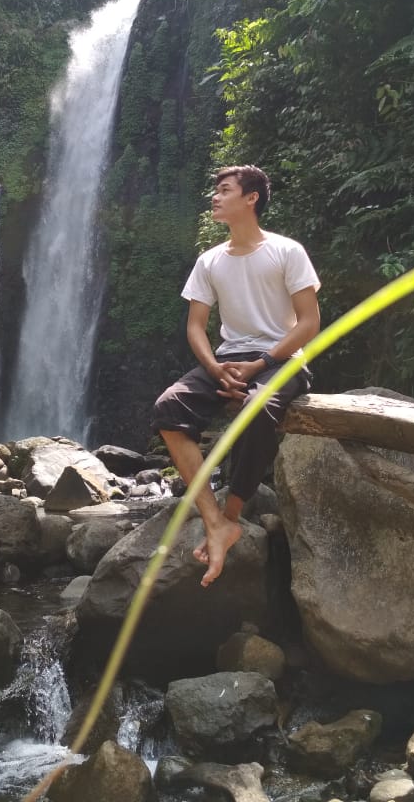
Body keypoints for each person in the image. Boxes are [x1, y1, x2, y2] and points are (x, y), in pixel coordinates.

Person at [152, 165, 321, 587]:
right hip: (227, 358)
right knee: (169, 407)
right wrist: (213, 368)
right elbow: (196, 326)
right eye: (215, 190)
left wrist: (261, 363)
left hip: (281, 360)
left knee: (256, 407)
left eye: (224, 190)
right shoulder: (209, 260)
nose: (215, 197)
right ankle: (215, 519)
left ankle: (232, 514)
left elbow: (308, 322)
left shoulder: (286, 251)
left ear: (251, 199)